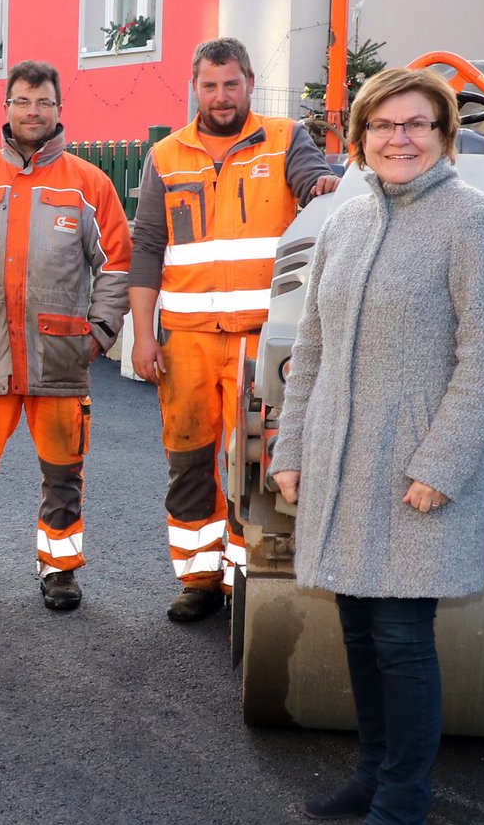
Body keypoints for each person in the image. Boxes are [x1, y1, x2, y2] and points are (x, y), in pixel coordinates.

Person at [268, 67, 484, 825]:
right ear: (360, 138)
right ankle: (373, 774)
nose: (399, 138)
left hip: (413, 468)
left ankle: (402, 811)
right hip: (341, 461)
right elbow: (310, 349)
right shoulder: (343, 223)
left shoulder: (473, 222)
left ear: (445, 134)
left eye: (416, 124)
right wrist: (292, 449)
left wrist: (442, 465)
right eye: (383, 126)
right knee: (358, 627)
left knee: (403, 639)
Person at [127, 38, 339, 623]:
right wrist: (143, 336)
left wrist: (321, 185)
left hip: (261, 340)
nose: (221, 96)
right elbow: (147, 246)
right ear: (194, 88)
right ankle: (199, 578)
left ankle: (252, 576)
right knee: (190, 460)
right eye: (209, 85)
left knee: (261, 462)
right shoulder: (166, 155)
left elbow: (312, 179)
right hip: (187, 338)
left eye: (231, 84)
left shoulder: (285, 137)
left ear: (249, 83)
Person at [0, 60, 131, 610]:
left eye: (43, 103)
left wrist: (100, 333)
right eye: (22, 101)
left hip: (60, 356)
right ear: (6, 107)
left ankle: (59, 568)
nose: (32, 112)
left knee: (63, 469)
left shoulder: (89, 183)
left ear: (59, 110)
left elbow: (116, 266)